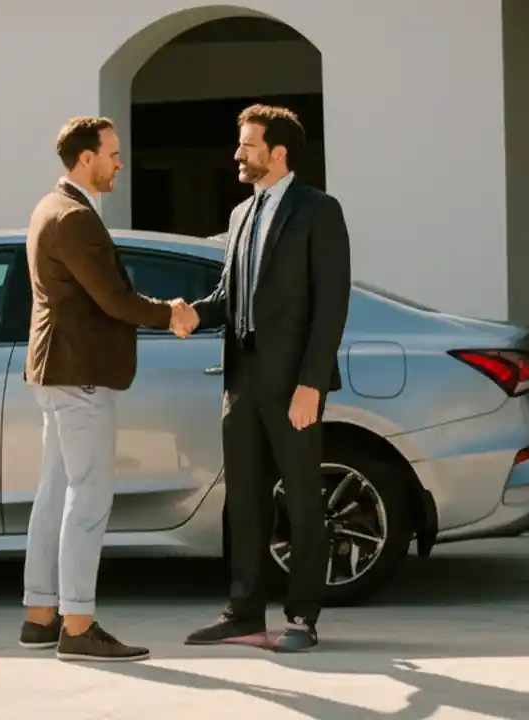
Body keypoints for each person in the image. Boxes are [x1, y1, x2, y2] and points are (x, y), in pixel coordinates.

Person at [18, 115, 196, 662]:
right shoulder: (73, 217)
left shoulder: (49, 207)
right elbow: (114, 299)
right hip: (80, 375)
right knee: (88, 497)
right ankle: (77, 625)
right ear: (85, 158)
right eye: (112, 154)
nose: (120, 163)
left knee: (56, 492)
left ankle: (40, 616)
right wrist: (170, 312)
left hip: (57, 371)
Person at [176, 104, 351, 653]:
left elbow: (331, 305)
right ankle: (244, 613)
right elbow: (229, 297)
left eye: (248, 145)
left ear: (278, 153)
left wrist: (312, 384)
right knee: (245, 501)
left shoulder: (319, 211)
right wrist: (191, 314)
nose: (237, 154)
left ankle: (302, 617)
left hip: (294, 382)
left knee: (302, 501)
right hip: (242, 380)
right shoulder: (240, 215)